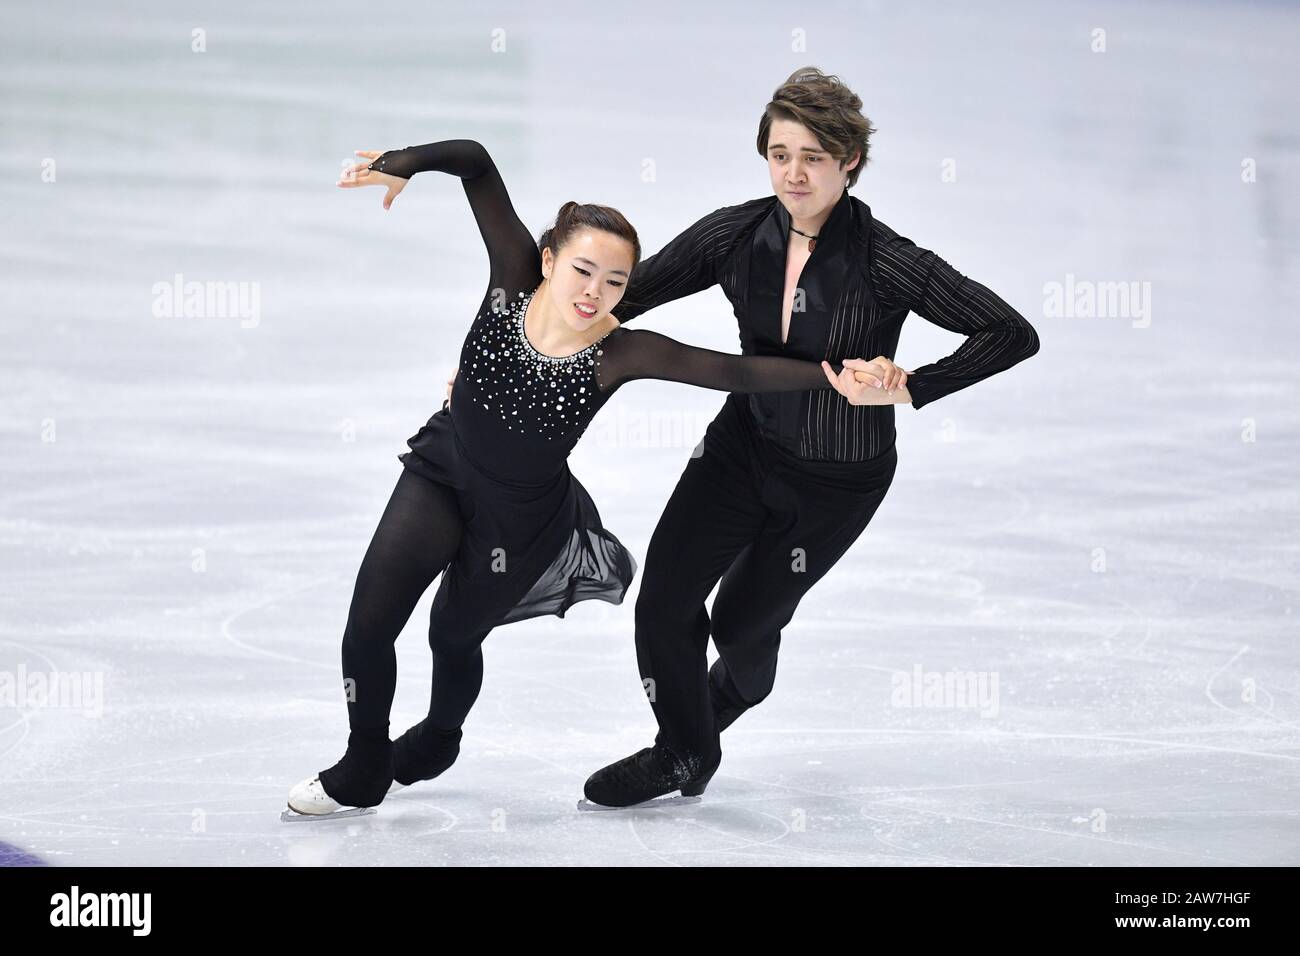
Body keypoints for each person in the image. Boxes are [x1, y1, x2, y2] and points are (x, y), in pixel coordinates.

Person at [283, 137, 889, 819]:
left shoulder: (618, 352)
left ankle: (440, 736)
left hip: (523, 521)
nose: (594, 293)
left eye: (615, 282)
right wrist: (407, 160)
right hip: (443, 472)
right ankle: (365, 765)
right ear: (547, 260)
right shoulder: (509, 279)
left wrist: (835, 378)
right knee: (368, 626)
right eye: (582, 271)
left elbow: (736, 372)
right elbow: (477, 162)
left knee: (451, 637)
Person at [581, 67, 1041, 808]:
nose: (792, 173)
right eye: (778, 154)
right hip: (742, 447)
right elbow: (623, 297)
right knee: (664, 600)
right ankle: (684, 752)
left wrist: (912, 383)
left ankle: (723, 701)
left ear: (848, 160)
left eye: (812, 157)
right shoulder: (734, 235)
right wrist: (527, 341)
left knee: (736, 625)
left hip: (836, 478)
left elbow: (1011, 332)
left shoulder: (888, 262)